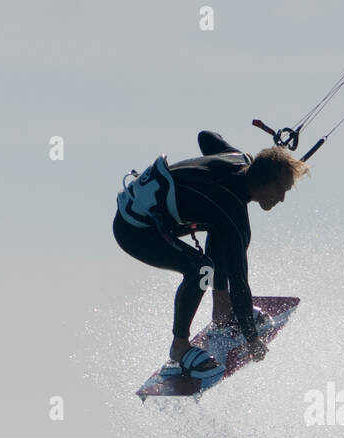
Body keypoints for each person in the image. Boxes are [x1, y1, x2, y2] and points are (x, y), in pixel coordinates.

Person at [113, 130, 308, 382]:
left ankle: (222, 309)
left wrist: (270, 158)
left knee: (218, 230)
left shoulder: (237, 158)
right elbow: (240, 282)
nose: (282, 199)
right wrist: (252, 339)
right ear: (264, 183)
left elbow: (206, 136)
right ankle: (179, 346)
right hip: (135, 230)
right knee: (200, 269)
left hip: (142, 211)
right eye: (281, 190)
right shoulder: (232, 211)